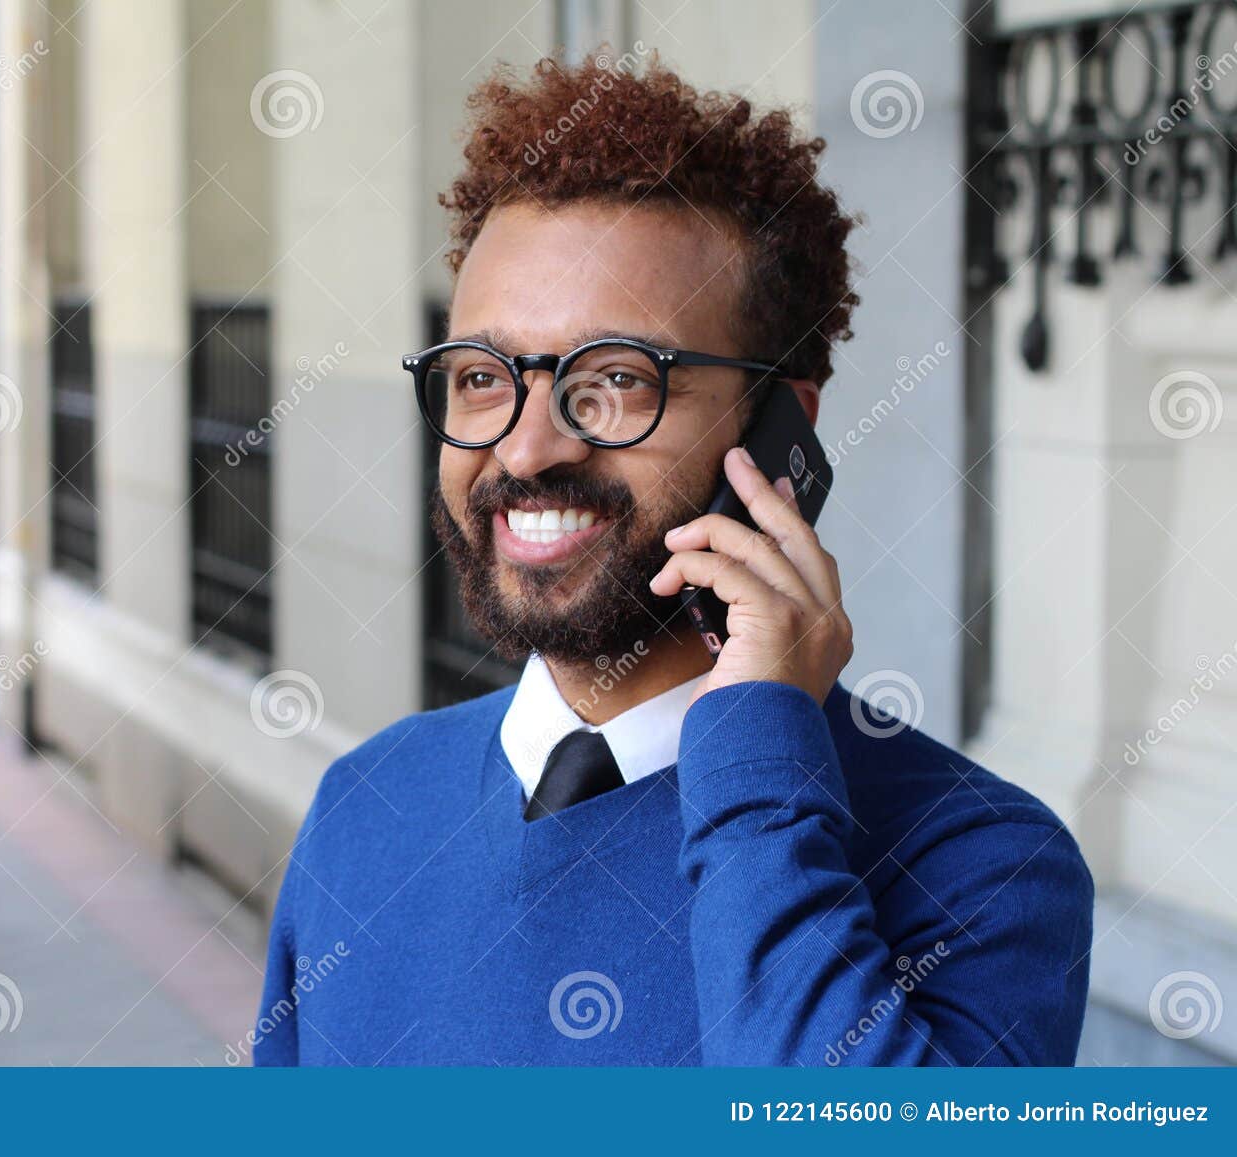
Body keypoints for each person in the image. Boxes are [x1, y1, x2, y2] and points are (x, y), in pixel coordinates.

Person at [252, 53, 1092, 1066]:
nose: (525, 448)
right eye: (481, 376)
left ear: (782, 432)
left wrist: (757, 780)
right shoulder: (367, 799)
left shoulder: (985, 865)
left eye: (615, 379)